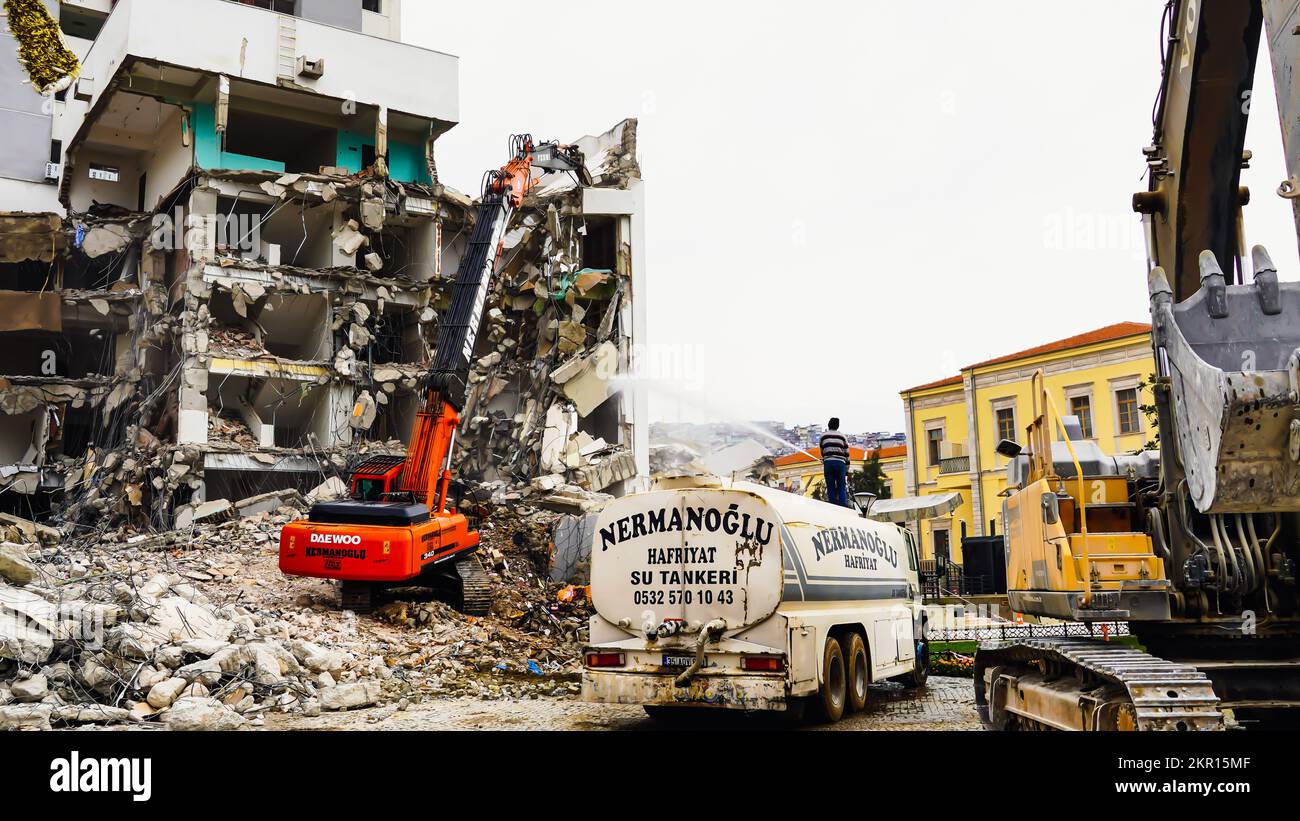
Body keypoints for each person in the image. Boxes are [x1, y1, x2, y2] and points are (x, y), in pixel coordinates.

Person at [819, 418, 851, 507]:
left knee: (830, 487)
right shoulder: (842, 437)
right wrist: (847, 469)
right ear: (838, 426)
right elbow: (847, 453)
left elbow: (822, 450)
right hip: (840, 464)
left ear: (829, 425)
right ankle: (842, 506)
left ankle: (832, 507)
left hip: (828, 463)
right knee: (841, 487)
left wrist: (825, 458)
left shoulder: (823, 436)